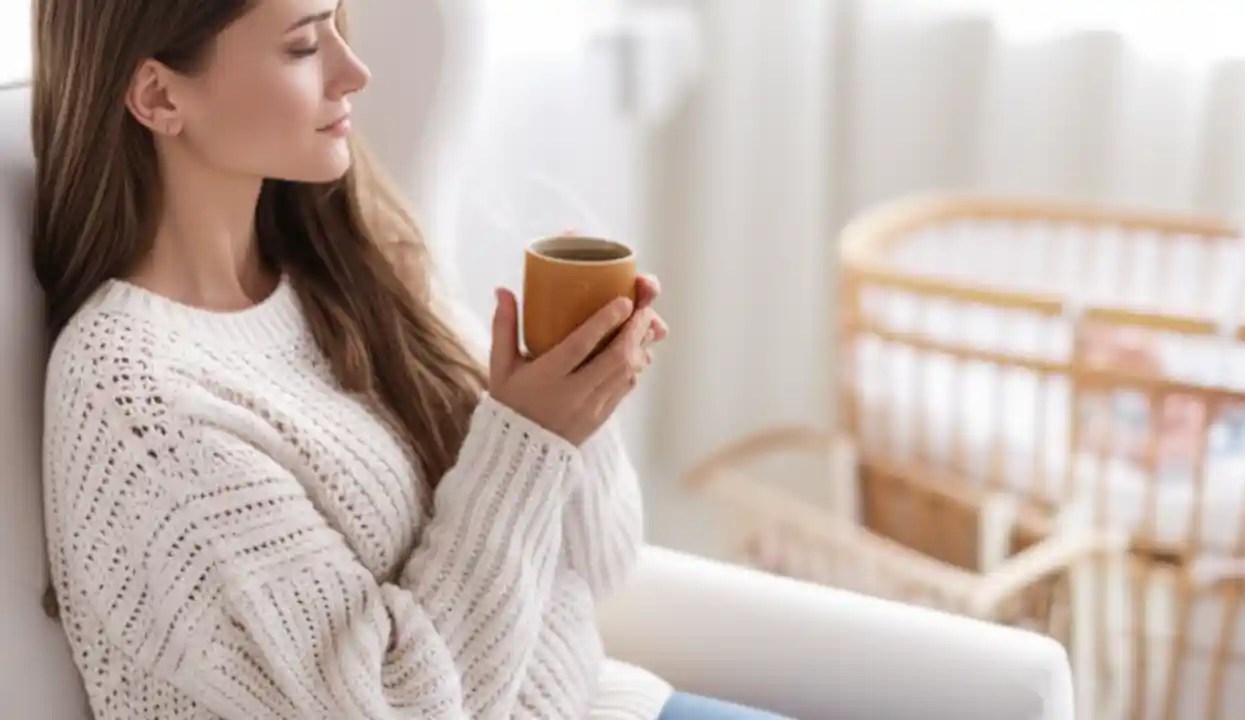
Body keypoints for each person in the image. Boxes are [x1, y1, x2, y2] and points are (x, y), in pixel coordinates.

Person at [33, 1, 784, 718]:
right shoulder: (139, 402)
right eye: (302, 45)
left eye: (338, 26)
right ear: (160, 96)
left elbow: (601, 558)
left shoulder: (348, 268)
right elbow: (400, 706)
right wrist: (528, 440)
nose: (353, 70)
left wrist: (574, 405)